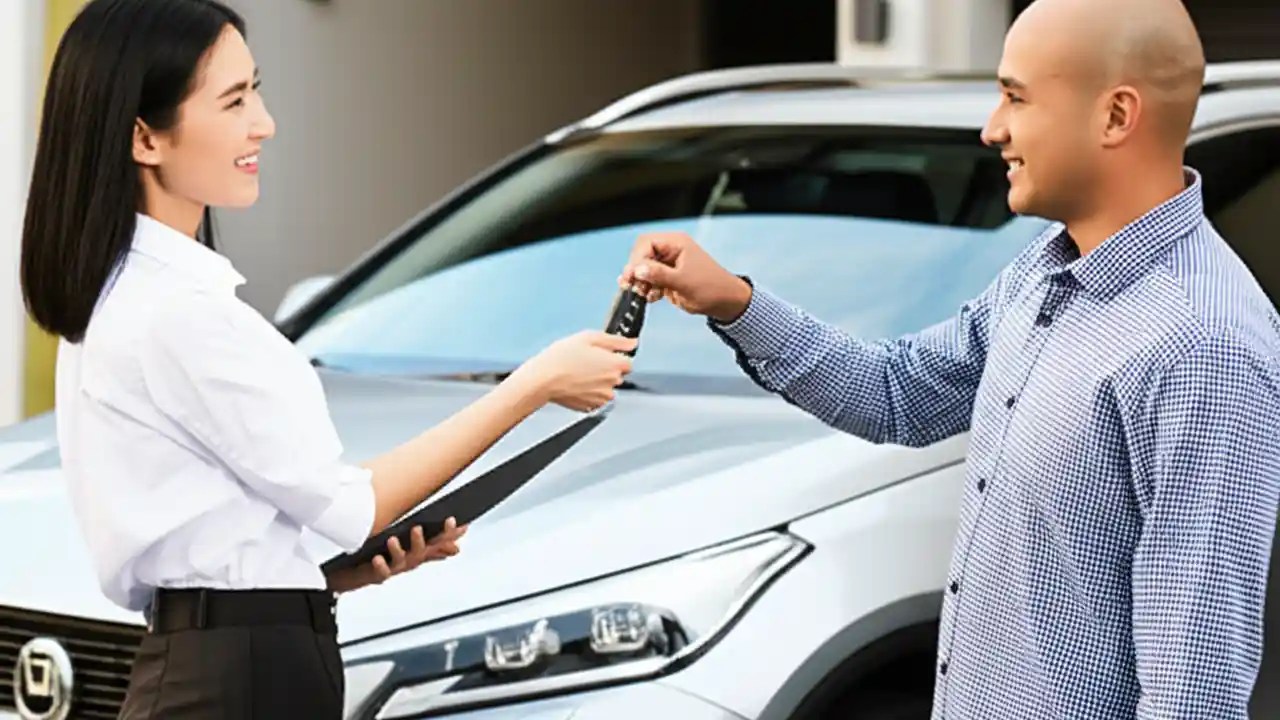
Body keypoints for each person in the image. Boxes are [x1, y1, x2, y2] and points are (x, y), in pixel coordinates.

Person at [619, 0, 1280, 717]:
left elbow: (1193, 691)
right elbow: (897, 392)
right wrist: (734, 302)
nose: (993, 128)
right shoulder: (1043, 272)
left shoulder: (1204, 346)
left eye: (1016, 97)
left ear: (1115, 116)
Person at [18, 0, 635, 717]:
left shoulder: (125, 295)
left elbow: (216, 535)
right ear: (144, 137)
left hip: (226, 665)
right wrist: (535, 384)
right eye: (233, 100)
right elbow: (356, 505)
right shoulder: (177, 312)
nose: (264, 123)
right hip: (238, 682)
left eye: (256, 90)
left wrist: (320, 577)